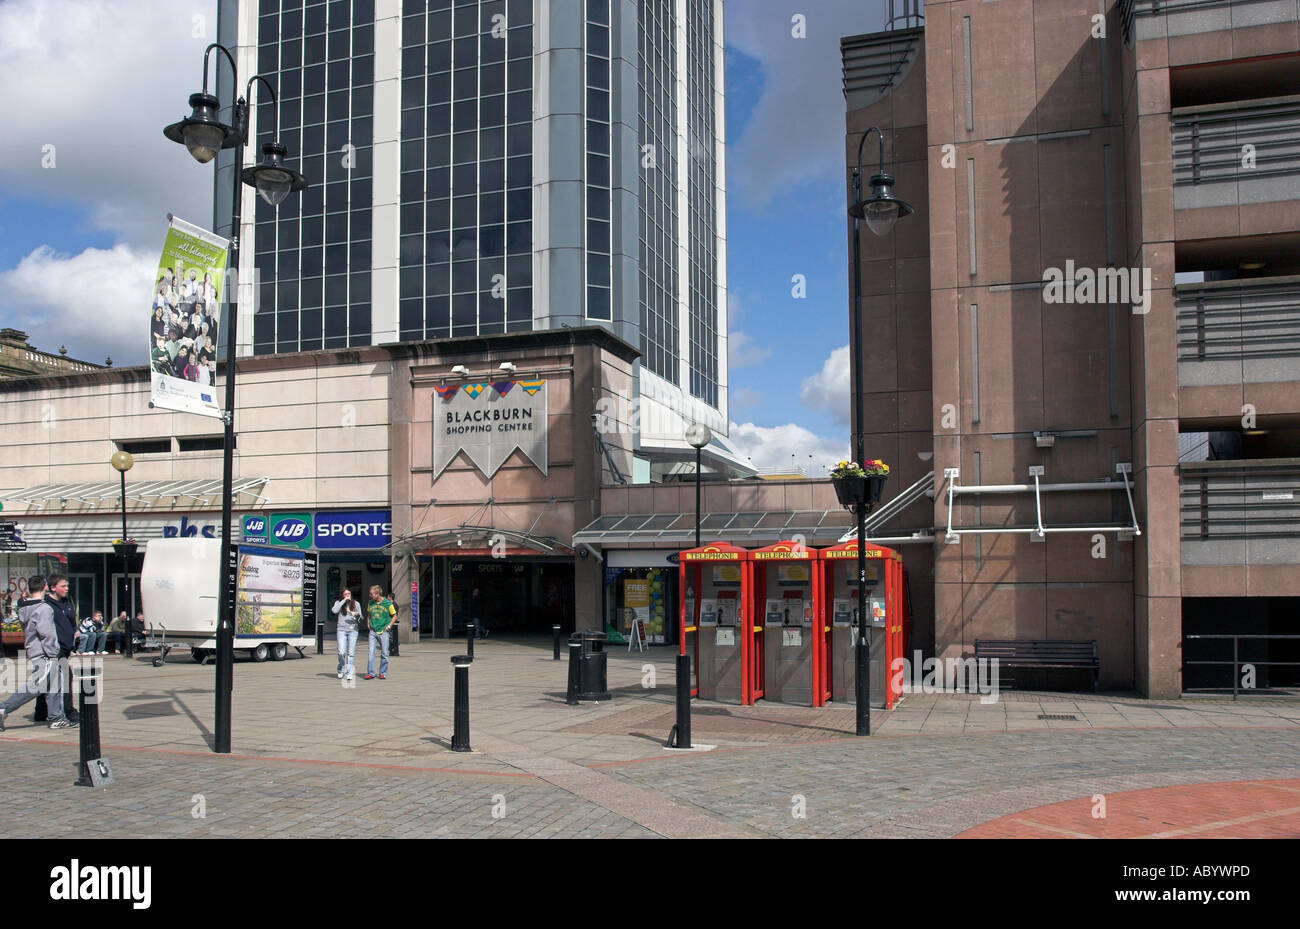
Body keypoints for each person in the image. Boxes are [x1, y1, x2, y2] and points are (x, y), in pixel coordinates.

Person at [0, 576, 75, 731]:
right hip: (44, 654)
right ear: (46, 587)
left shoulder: (25, 607)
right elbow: (46, 633)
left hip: (36, 651)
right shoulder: (43, 608)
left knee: (55, 683)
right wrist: (53, 652)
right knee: (36, 686)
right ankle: (3, 708)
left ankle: (56, 717)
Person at [33, 573, 78, 725]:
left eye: (67, 586)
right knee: (65, 678)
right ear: (53, 588)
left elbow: (72, 622)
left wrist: (74, 635)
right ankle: (68, 711)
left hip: (65, 648)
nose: (66, 589)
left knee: (47, 680)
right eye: (63, 586)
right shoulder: (46, 605)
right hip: (53, 649)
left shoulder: (67, 603)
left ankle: (41, 711)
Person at [364, 585, 397, 680]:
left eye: (372, 594)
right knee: (371, 652)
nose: (370, 596)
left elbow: (394, 616)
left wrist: (389, 626)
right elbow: (369, 614)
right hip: (373, 631)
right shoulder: (370, 603)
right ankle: (371, 672)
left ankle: (383, 672)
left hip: (383, 631)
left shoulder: (388, 604)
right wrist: (368, 623)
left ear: (378, 594)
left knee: (385, 653)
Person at [332, 589, 361, 681]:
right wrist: (344, 601)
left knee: (351, 653)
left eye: (349, 594)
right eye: (346, 594)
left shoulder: (356, 603)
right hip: (341, 630)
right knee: (341, 652)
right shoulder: (339, 603)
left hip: (353, 630)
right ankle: (340, 668)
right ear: (342, 595)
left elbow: (361, 616)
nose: (348, 595)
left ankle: (349, 673)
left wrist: (356, 615)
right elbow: (334, 611)